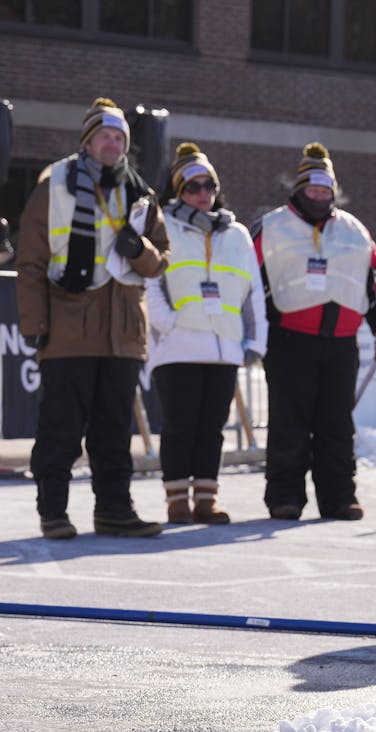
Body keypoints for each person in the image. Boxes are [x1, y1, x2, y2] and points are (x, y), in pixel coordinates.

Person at [17, 97, 170, 539]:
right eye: (104, 136)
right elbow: (30, 261)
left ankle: (114, 512)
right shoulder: (54, 184)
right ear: (87, 142)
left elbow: (161, 261)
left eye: (119, 137)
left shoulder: (141, 192)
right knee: (60, 428)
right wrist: (35, 325)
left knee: (113, 431)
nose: (112, 143)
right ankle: (53, 513)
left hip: (122, 332)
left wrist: (138, 251)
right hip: (68, 329)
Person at [253, 143, 376, 521]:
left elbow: (374, 284)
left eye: (325, 190)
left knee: (336, 425)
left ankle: (340, 498)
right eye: (313, 189)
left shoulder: (355, 230)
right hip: (288, 340)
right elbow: (248, 282)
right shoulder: (271, 226)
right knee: (289, 424)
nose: (319, 195)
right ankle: (284, 497)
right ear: (299, 190)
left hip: (340, 344)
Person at [146, 143, 267, 524]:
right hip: (177, 346)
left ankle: (206, 498)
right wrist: (167, 324)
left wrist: (255, 339)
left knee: (212, 428)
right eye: (192, 187)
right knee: (179, 426)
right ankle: (177, 499)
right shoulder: (161, 224)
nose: (202, 194)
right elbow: (149, 283)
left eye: (208, 186)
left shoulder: (238, 234)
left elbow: (253, 292)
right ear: (177, 191)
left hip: (224, 346)